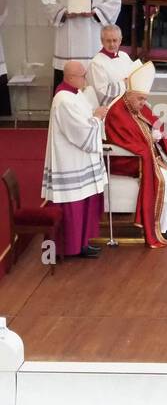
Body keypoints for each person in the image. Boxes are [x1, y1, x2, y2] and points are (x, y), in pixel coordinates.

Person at [103, 83, 167, 248]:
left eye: (145, 99)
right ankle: (158, 227)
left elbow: (148, 123)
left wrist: (155, 133)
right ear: (129, 94)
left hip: (142, 155)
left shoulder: (134, 105)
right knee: (164, 178)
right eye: (140, 99)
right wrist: (150, 140)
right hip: (125, 161)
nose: (143, 103)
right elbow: (124, 142)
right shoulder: (117, 112)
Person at [42, 61, 108, 260]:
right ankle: (68, 248)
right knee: (73, 206)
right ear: (70, 77)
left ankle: (83, 243)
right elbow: (80, 132)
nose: (85, 78)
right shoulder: (63, 99)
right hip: (69, 161)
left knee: (86, 202)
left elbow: (84, 120)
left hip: (81, 161)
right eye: (82, 75)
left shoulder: (76, 94)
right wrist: (96, 118)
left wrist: (94, 117)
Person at [46, 0, 123, 95]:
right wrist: (63, 13)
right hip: (67, 35)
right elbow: (49, 4)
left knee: (92, 76)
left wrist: (95, 12)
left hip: (92, 35)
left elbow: (115, 1)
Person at [87, 25, 134, 107]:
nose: (112, 44)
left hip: (130, 103)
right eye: (108, 41)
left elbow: (134, 75)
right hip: (112, 108)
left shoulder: (124, 56)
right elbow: (101, 93)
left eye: (115, 40)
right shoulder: (96, 63)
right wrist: (124, 84)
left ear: (120, 40)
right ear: (102, 41)